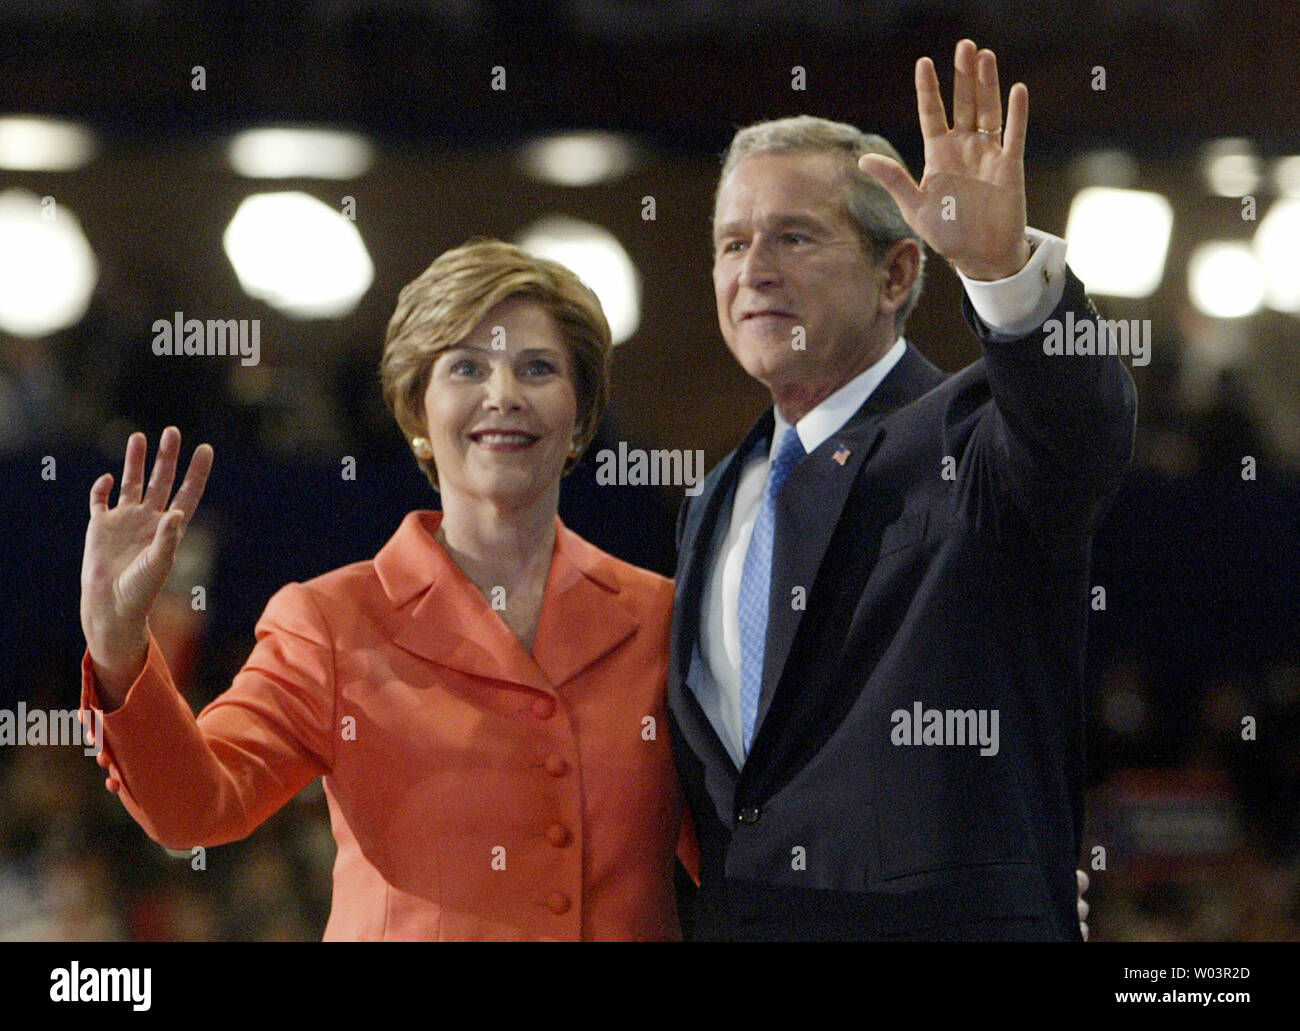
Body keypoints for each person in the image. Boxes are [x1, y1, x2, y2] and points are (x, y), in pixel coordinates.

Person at [78, 238, 693, 941]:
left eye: (538, 368)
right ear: (417, 413)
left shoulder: (663, 616)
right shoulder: (332, 622)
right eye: (466, 367)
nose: (504, 394)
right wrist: (120, 649)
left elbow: (744, 847)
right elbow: (198, 806)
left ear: (580, 415)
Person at [667, 40, 1135, 939]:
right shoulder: (712, 500)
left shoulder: (977, 438)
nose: (753, 267)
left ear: (896, 274)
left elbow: (1083, 434)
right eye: (733, 242)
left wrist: (1005, 273)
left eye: (794, 236)